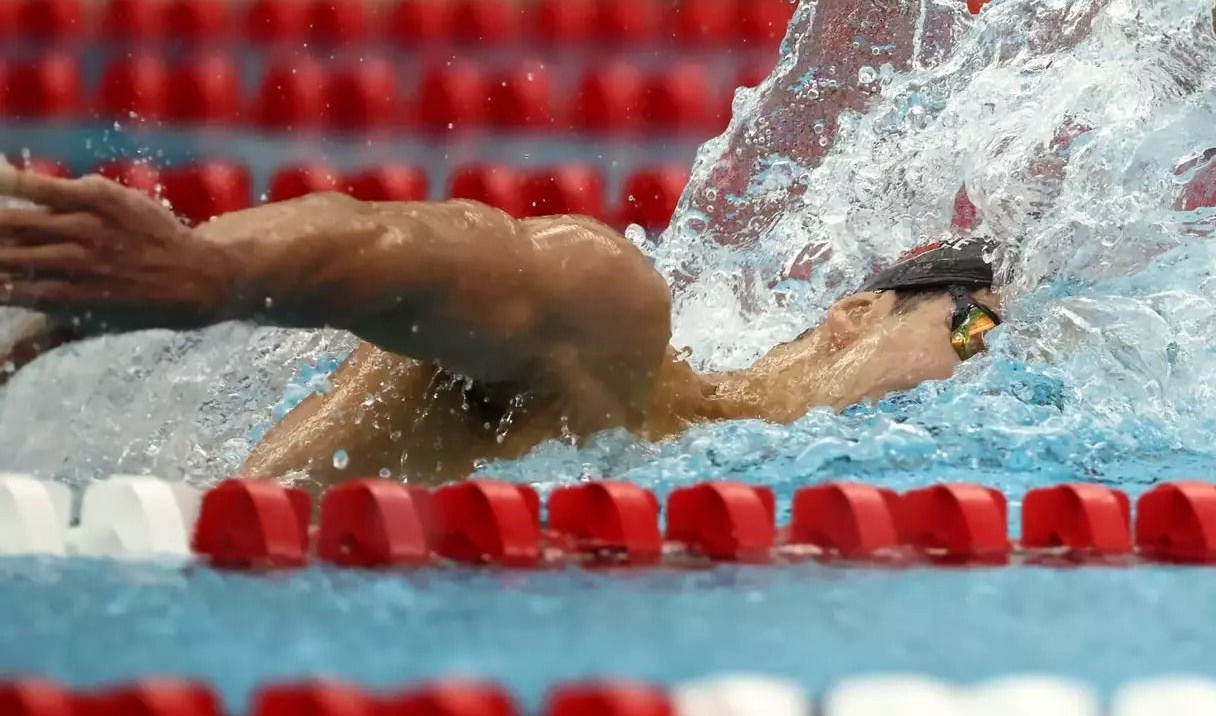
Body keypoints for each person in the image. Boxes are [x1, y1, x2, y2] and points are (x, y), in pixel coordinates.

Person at [0, 165, 1003, 492]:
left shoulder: (702, 459)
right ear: (856, 312)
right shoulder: (621, 350)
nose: (984, 370)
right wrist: (211, 271)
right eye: (971, 331)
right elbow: (420, 249)